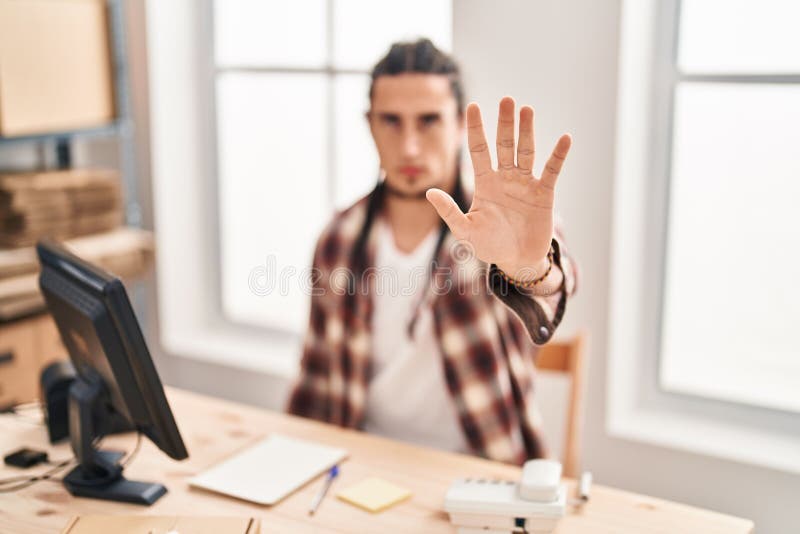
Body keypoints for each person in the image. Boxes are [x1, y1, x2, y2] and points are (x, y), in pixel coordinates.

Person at [287, 38, 577, 465]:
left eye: (428, 121)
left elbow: (556, 286)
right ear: (369, 124)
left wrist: (530, 268)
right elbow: (315, 382)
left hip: (481, 466)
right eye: (391, 121)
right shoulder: (339, 240)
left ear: (460, 124)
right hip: (362, 463)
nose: (408, 147)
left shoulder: (500, 225)